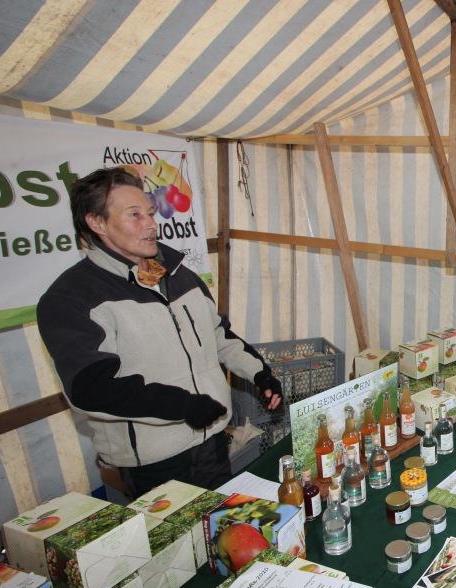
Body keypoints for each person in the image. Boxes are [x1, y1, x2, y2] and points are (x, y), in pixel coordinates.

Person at [37, 167, 283, 497]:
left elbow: (219, 337)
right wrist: (182, 406)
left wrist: (260, 374)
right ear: (97, 222)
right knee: (178, 547)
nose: (151, 224)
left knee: (221, 534)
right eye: (135, 215)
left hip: (212, 442)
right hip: (154, 461)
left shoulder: (179, 275)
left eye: (150, 213)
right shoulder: (72, 298)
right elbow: (91, 389)